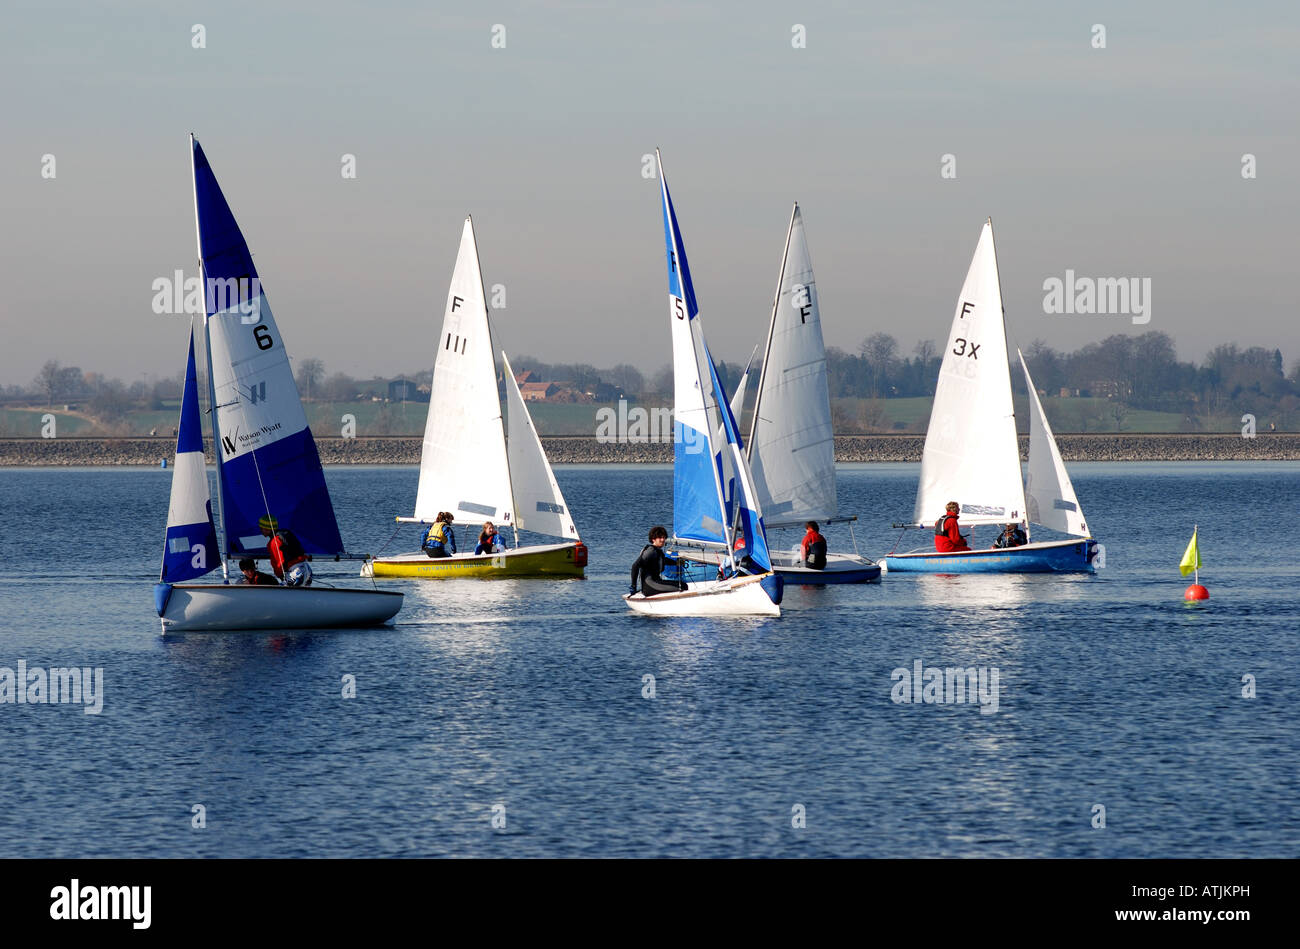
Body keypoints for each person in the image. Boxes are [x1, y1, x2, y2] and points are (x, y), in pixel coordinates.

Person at [629, 525, 683, 597]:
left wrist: (679, 562)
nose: (663, 540)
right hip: (650, 586)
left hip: (657, 582)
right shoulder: (651, 551)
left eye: (664, 537)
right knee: (681, 587)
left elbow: (665, 561)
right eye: (660, 538)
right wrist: (633, 586)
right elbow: (635, 565)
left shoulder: (657, 551)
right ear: (653, 539)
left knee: (683, 585)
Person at [260, 516, 313, 586]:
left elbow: (279, 562)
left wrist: (280, 575)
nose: (260, 530)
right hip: (307, 569)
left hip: (296, 573)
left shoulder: (274, 542)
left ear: (267, 529)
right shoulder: (285, 534)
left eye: (261, 528)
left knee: (280, 593)